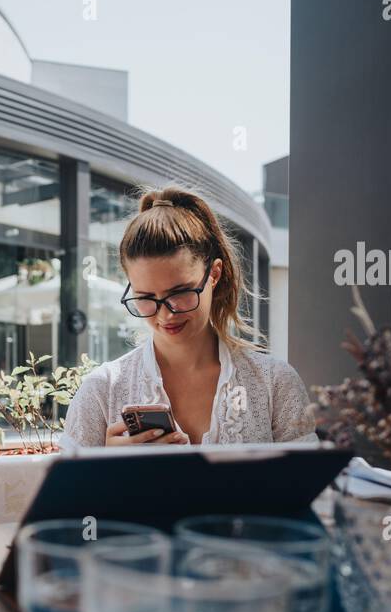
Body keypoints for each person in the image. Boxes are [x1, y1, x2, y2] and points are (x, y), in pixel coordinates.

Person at [60, 186, 317, 449]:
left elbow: (311, 486)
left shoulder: (274, 382)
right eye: (146, 297)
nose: (166, 313)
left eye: (180, 292)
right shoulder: (102, 390)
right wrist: (107, 472)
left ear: (214, 274)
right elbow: (65, 490)